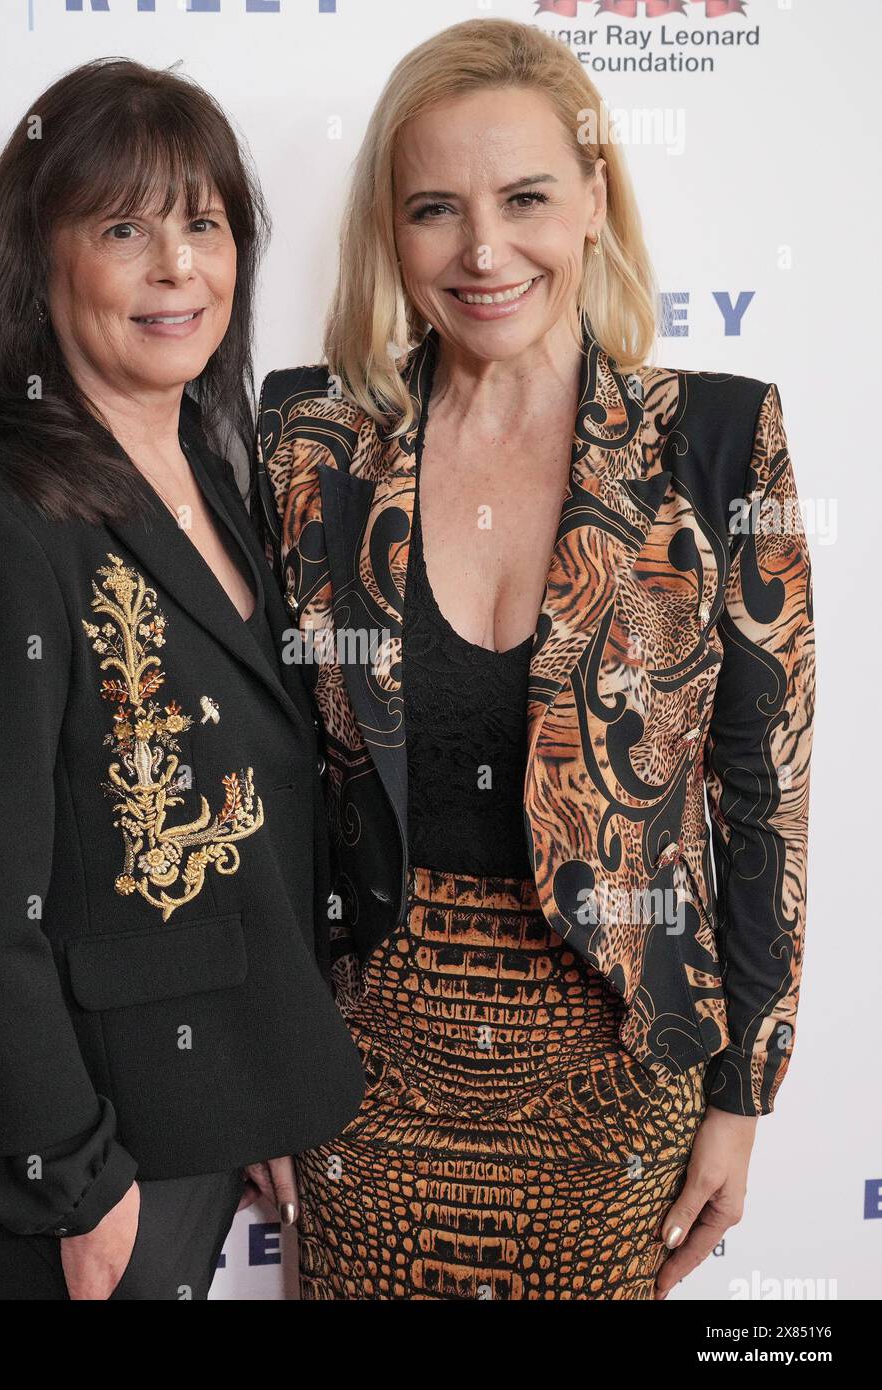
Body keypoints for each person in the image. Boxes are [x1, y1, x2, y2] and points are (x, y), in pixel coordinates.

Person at [254, 18, 814, 1300]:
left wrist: (740, 1095)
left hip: (620, 1066)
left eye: (523, 199)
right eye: (434, 209)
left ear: (592, 201)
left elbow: (762, 794)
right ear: (389, 232)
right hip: (364, 1066)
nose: (483, 250)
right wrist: (263, 1059)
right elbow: (273, 781)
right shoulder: (310, 441)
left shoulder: (720, 442)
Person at [0, 56, 363, 1301]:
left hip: (200, 1100)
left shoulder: (217, 468)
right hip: (86, 1146)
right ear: (36, 262)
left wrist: (253, 1073)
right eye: (124, 228)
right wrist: (70, 1181)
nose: (176, 268)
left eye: (202, 224)